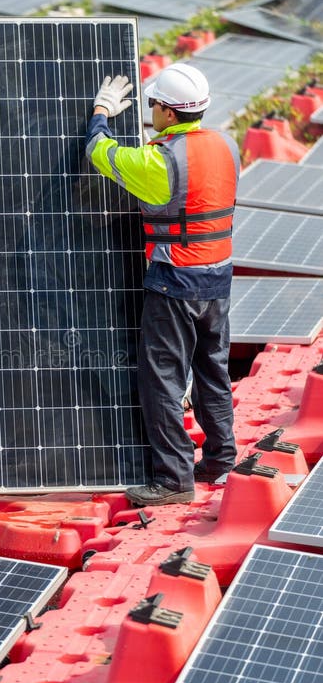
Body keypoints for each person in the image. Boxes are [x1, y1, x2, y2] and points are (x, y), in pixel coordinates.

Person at [86, 62, 239, 507]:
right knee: (213, 373)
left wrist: (101, 112)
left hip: (175, 284)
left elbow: (101, 152)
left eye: (153, 104)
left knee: (164, 381)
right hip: (218, 281)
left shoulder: (160, 160)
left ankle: (173, 479)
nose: (150, 110)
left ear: (169, 113)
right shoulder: (227, 146)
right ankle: (220, 460)